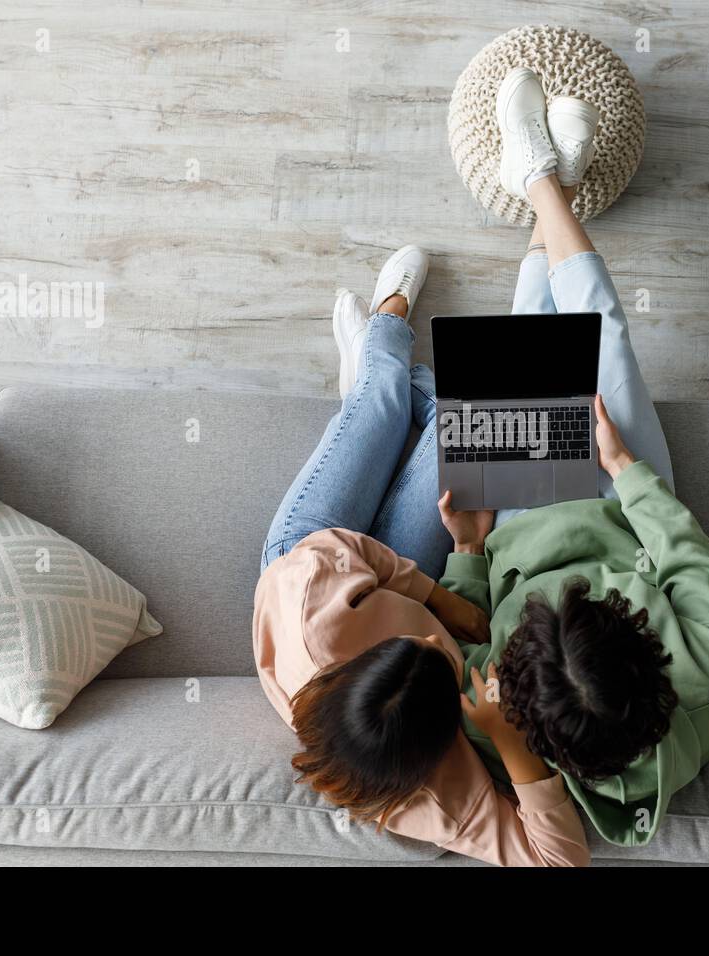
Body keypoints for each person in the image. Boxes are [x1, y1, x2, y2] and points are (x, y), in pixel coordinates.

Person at [433, 67, 709, 848]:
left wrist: (468, 552)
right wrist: (625, 472)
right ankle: (542, 178)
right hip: (625, 508)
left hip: (518, 526)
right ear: (651, 660)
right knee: (602, 330)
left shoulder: (503, 719)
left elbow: (469, 637)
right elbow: (689, 558)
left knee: (523, 342)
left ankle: (547, 183)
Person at [253, 240, 590, 867]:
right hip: (386, 583)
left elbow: (341, 550)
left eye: (420, 642)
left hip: (314, 551)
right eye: (445, 658)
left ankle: (387, 323)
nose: (441, 641)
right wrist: (510, 743)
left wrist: (438, 599)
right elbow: (560, 862)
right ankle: (415, 397)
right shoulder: (438, 796)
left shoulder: (310, 619)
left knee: (380, 399)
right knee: (486, 407)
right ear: (438, 744)